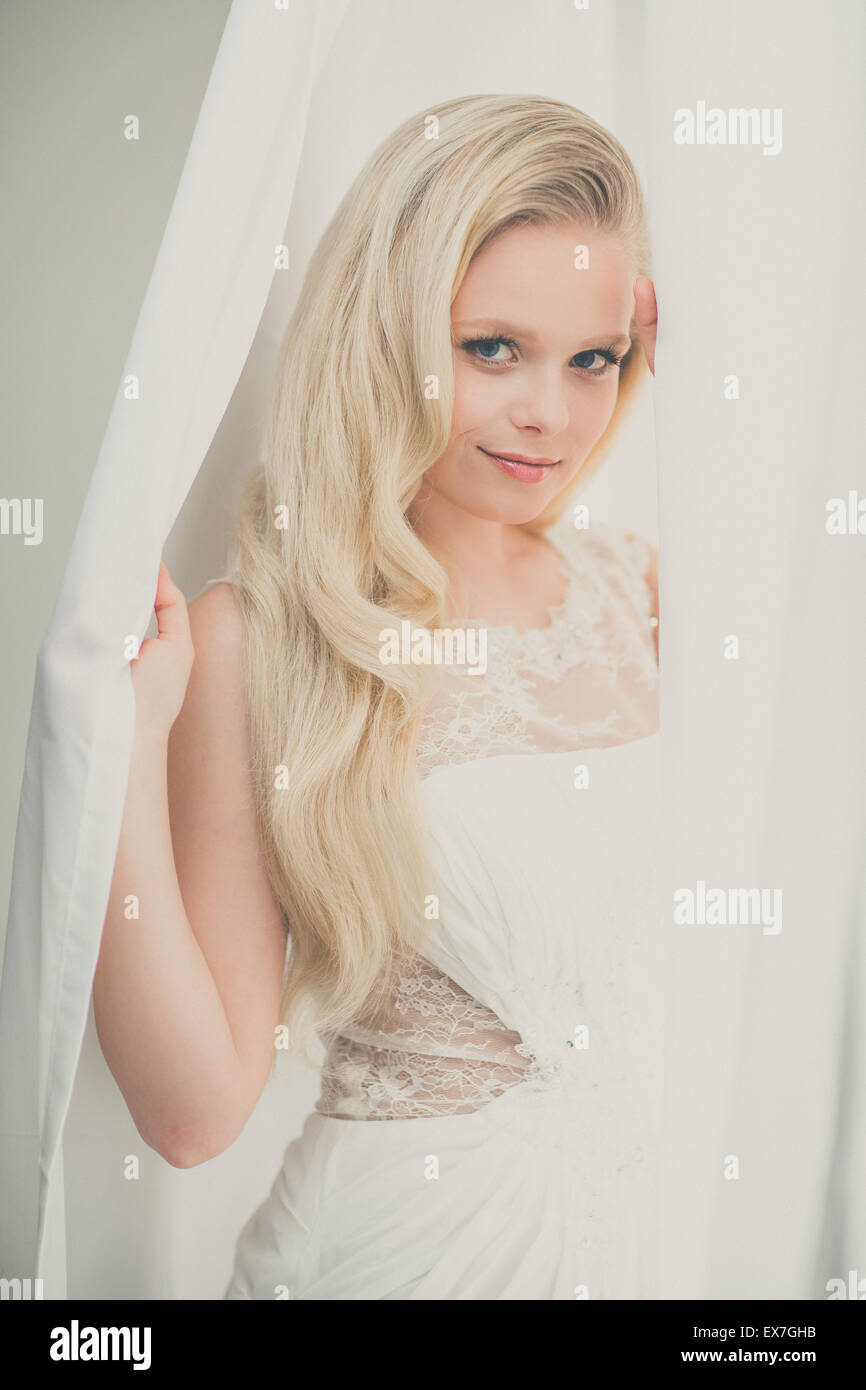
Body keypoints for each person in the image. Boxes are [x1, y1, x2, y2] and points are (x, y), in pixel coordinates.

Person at [94, 92, 661, 1300]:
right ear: (387, 333)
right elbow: (193, 1114)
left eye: (591, 358)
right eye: (490, 347)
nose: (547, 414)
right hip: (382, 1263)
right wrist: (128, 751)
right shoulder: (267, 639)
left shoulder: (642, 592)